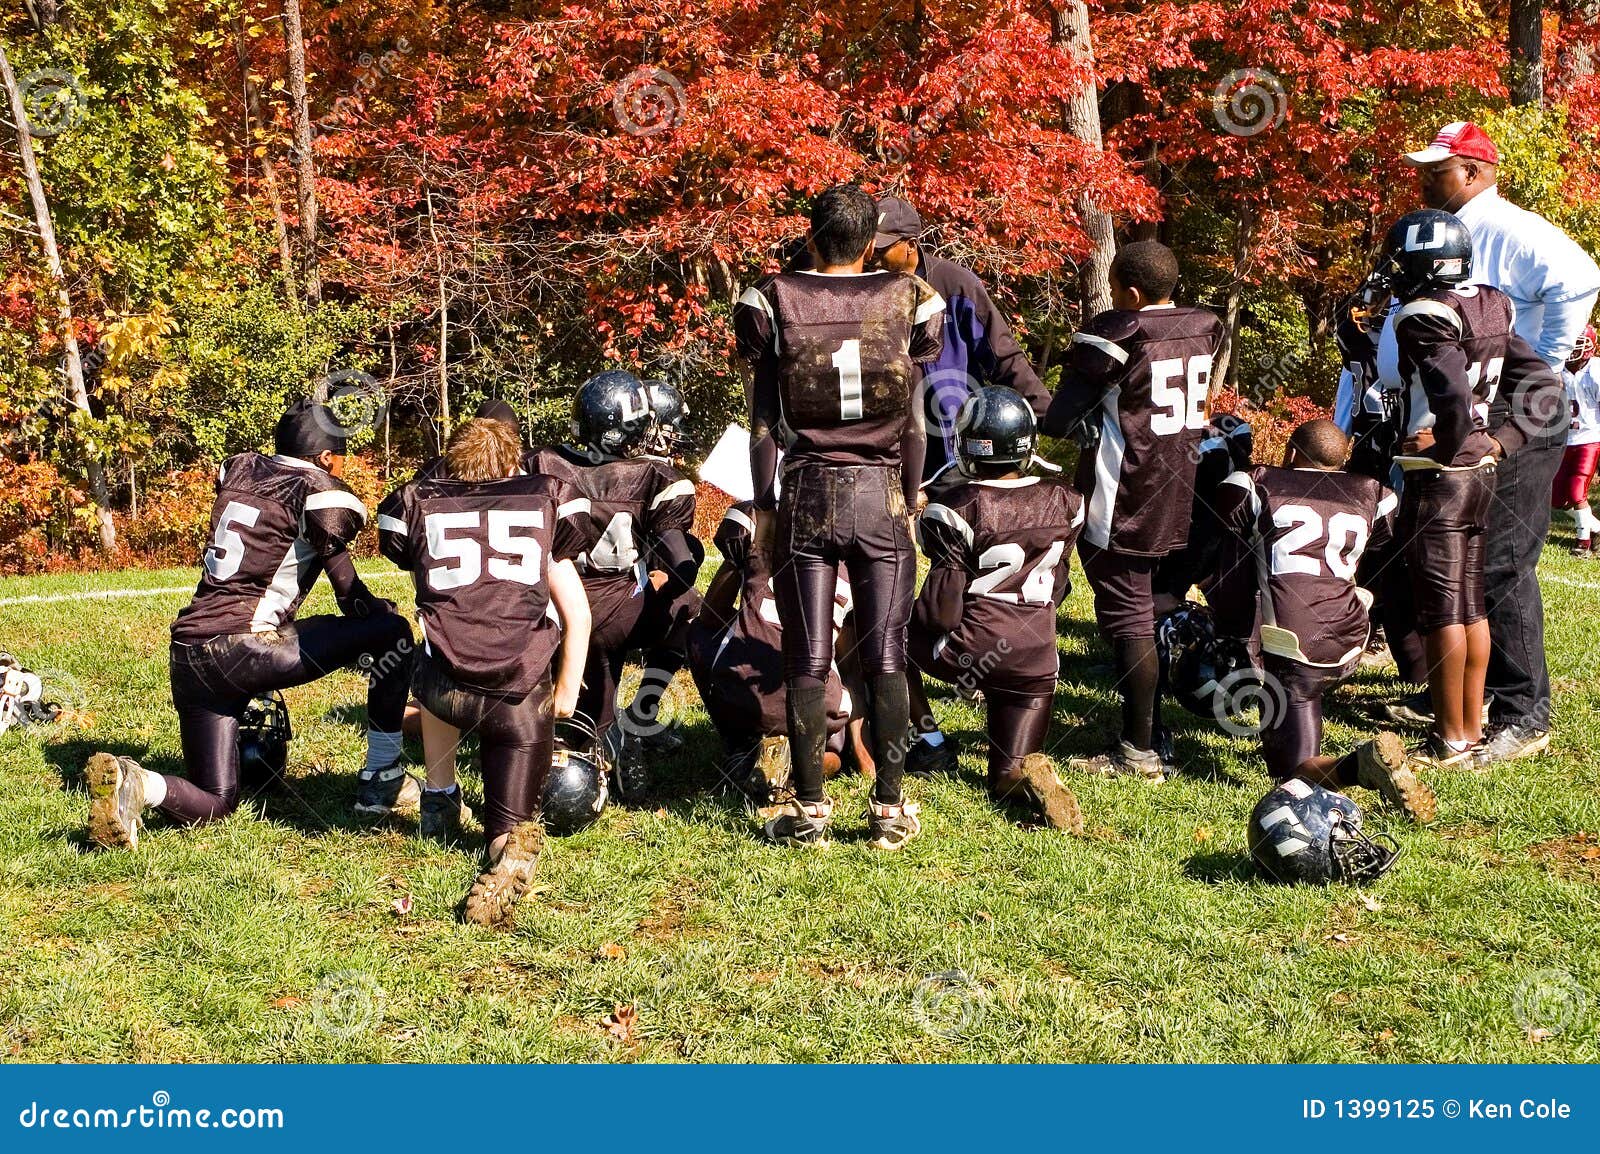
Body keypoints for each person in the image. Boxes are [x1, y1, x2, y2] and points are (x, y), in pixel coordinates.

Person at [84, 398, 416, 849]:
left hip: (189, 654)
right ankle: (383, 775)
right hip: (245, 648)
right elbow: (352, 600)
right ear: (325, 457)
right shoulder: (317, 491)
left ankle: (140, 784)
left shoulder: (238, 469)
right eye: (341, 457)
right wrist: (382, 612)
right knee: (393, 634)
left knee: (217, 801)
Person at [734, 182, 944, 848]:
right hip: (881, 489)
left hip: (808, 490)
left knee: (807, 656)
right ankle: (890, 807)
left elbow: (763, 419)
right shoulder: (911, 296)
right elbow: (915, 421)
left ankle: (810, 810)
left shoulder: (772, 296)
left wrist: (764, 502)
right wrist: (912, 492)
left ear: (811, 234)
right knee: (886, 654)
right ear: (871, 240)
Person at [1398, 120, 1600, 766]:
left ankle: (1523, 711)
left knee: (1502, 562)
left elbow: (1580, 275)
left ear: (1475, 172)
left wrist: (1548, 358)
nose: (1425, 182)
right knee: (1464, 565)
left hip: (1515, 408)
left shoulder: (1508, 227)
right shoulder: (1458, 230)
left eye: (1438, 171)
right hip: (1489, 408)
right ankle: (1470, 696)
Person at [378, 417, 594, 925]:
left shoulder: (419, 502)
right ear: (516, 463)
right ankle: (505, 852)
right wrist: (565, 694)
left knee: (438, 649)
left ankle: (439, 797)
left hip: (444, 692)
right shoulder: (545, 500)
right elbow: (578, 616)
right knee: (508, 827)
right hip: (519, 695)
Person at [1380, 209, 1562, 766]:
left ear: (1421, 264)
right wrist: (1499, 442)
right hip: (1480, 474)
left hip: (1440, 478)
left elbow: (1454, 398)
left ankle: (1452, 738)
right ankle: (1471, 725)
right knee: (1470, 605)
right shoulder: (1490, 301)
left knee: (1443, 610)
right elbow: (1542, 382)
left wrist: (1445, 444)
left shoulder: (1424, 314)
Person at [1040, 240, 1224, 781]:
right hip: (1179, 485)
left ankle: (1139, 748)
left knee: (1130, 615)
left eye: (1116, 289)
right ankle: (1151, 723)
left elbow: (1059, 419)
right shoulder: (1203, 325)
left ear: (1133, 293)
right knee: (1144, 605)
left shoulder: (1123, 331)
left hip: (1125, 493)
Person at [1210, 419, 1434, 821]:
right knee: (1289, 706)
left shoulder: (1255, 482)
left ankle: (1358, 765)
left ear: (1292, 451)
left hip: (1295, 645)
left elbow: (1218, 521)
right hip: (1351, 634)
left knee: (1292, 778)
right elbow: (1387, 550)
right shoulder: (1375, 492)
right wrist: (1368, 594)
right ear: (1342, 460)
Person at [906, 386, 1086, 830]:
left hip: (973, 649)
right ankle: (1029, 781)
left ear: (971, 446)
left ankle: (928, 738)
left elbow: (940, 614)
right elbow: (1059, 587)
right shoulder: (1067, 500)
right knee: (1007, 774)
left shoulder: (959, 507)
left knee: (882, 635)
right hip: (1036, 659)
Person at [526, 370, 702, 799]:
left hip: (545, 609)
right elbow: (680, 563)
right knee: (689, 604)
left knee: (579, 709)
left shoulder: (541, 463)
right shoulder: (655, 476)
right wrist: (667, 580)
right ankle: (638, 718)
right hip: (617, 613)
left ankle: (593, 730)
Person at [686, 500, 861, 804]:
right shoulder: (848, 566)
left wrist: (737, 563)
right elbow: (848, 660)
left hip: (747, 697)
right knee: (832, 747)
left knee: (699, 634)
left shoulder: (760, 550)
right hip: (817, 700)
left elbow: (710, 617)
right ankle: (800, 765)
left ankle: (740, 744)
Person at [871, 196, 1051, 480]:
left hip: (954, 450)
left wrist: (1051, 416)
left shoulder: (955, 284)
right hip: (888, 451)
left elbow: (1003, 357)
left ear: (910, 245)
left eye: (883, 248)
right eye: (870, 245)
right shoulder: (864, 290)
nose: (873, 255)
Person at [1552, 326, 1600, 556]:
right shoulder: (1558, 368)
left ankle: (1583, 543)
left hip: (1590, 438)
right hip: (1565, 439)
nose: (1572, 350)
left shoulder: (1595, 370)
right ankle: (1596, 528)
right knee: (1556, 498)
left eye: (1578, 344)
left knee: (1576, 491)